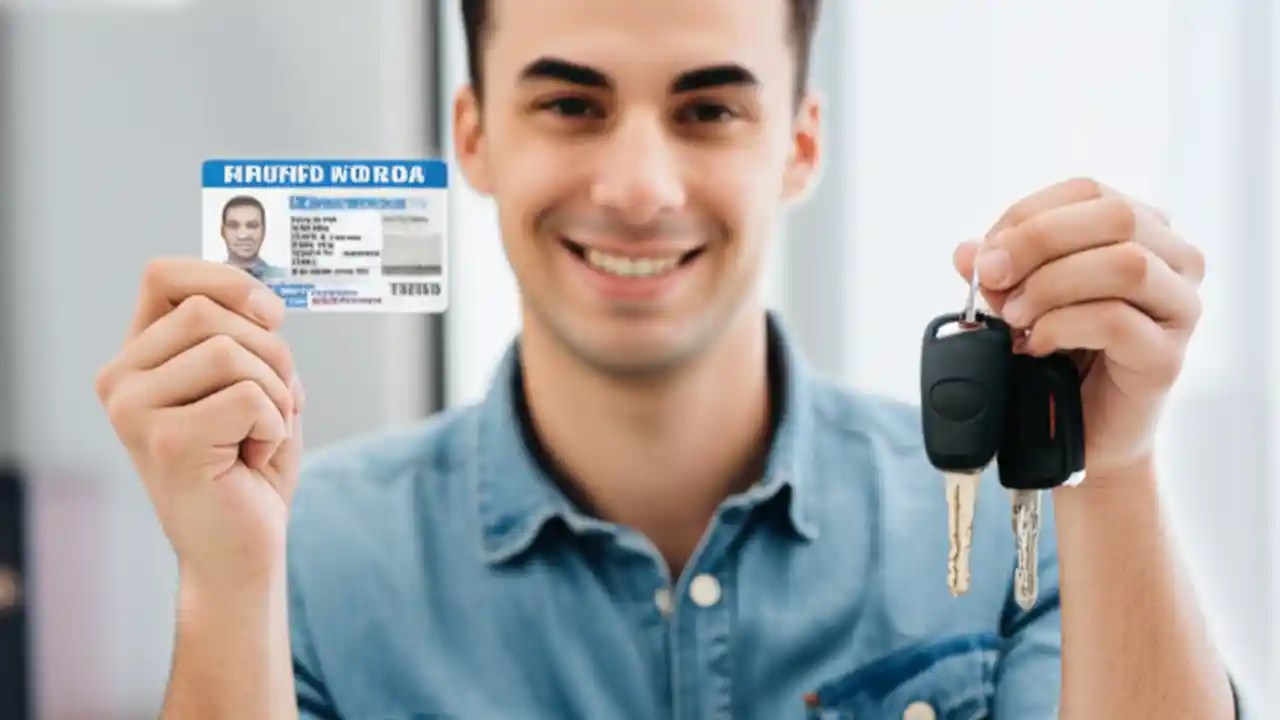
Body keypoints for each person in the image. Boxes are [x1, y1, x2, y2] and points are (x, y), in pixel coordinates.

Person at [94, 1, 1251, 717]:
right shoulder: (311, 558)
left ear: (798, 145)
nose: (640, 189)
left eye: (706, 112)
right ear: (472, 136)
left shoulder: (1020, 517)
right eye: (569, 105)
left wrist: (1120, 465)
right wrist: (227, 585)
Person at [220, 194, 288, 281]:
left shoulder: (284, 280)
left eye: (252, 226)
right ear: (222, 232)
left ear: (263, 231)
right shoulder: (208, 281)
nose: (243, 235)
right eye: (233, 226)